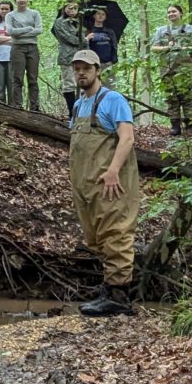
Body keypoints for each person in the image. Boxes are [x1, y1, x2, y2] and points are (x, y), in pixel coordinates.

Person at [68, 49, 140, 318]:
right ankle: (108, 289)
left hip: (111, 183)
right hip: (85, 185)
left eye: (86, 68)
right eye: (77, 69)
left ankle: (119, 297)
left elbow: (127, 138)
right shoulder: (78, 105)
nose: (81, 73)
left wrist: (112, 171)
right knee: (95, 239)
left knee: (116, 235)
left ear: (98, 70)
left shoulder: (113, 100)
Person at [150, 4, 192, 137]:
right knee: (171, 99)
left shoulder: (190, 29)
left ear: (181, 13)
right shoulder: (161, 30)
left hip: (186, 69)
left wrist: (182, 47)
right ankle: (175, 127)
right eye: (169, 12)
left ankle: (191, 126)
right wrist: (167, 48)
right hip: (167, 69)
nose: (171, 14)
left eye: (174, 11)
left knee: (188, 98)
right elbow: (154, 48)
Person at [5, 0, 42, 111]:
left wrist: (20, 32)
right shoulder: (10, 15)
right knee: (17, 78)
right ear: (15, 0)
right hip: (17, 49)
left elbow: (39, 30)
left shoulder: (35, 13)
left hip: (32, 48)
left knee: (33, 78)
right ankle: (17, 106)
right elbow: (10, 32)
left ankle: (35, 107)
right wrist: (28, 29)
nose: (21, 0)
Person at [51, 0, 85, 115]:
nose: (72, 11)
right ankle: (72, 112)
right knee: (69, 83)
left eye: (75, 8)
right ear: (64, 8)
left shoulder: (80, 21)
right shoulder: (60, 22)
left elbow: (84, 37)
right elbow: (68, 38)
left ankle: (81, 111)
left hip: (81, 56)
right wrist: (84, 40)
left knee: (81, 83)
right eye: (70, 8)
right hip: (67, 56)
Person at [86, 6, 120, 78]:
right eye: (98, 14)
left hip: (108, 64)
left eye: (103, 14)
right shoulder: (89, 31)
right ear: (94, 16)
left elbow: (114, 46)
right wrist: (87, 39)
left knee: (109, 86)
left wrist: (114, 61)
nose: (100, 16)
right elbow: (84, 47)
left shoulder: (110, 31)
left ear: (105, 17)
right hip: (93, 63)